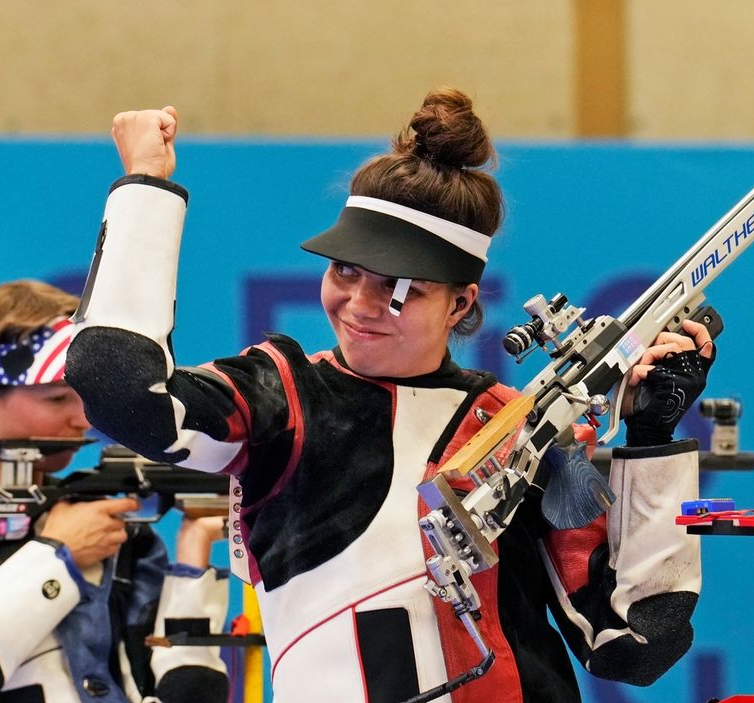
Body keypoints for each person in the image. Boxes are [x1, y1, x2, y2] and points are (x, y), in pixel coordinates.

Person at [67, 88, 714, 702]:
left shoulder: (515, 429)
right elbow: (119, 388)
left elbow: (636, 642)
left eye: (402, 288)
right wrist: (145, 185)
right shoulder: (284, 396)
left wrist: (654, 436)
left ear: (460, 301)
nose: (362, 304)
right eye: (345, 270)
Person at [0, 280, 230, 703]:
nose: (82, 421)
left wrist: (193, 558)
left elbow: (192, 692)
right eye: (56, 399)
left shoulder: (106, 520)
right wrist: (58, 555)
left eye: (84, 400)